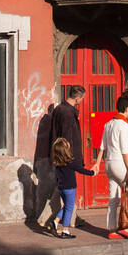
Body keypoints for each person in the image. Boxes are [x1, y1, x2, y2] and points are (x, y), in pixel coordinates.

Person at [39, 85, 87, 232]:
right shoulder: (67, 113)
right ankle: (46, 219)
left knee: (64, 188)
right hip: (66, 157)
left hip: (58, 155)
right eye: (82, 99)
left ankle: (72, 219)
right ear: (78, 98)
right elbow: (67, 138)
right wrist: (69, 158)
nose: (82, 101)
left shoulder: (59, 109)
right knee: (64, 189)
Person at [96, 94, 128, 240]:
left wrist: (97, 163)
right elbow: (125, 150)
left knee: (113, 198)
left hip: (108, 163)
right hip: (119, 163)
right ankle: (125, 226)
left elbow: (102, 147)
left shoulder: (108, 124)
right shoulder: (123, 125)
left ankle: (112, 229)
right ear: (127, 109)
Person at [51, 136, 95, 238]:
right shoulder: (70, 161)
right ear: (66, 148)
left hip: (61, 188)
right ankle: (65, 231)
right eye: (67, 143)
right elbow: (81, 170)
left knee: (66, 206)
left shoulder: (58, 163)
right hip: (69, 188)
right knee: (69, 209)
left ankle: (55, 222)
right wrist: (92, 173)